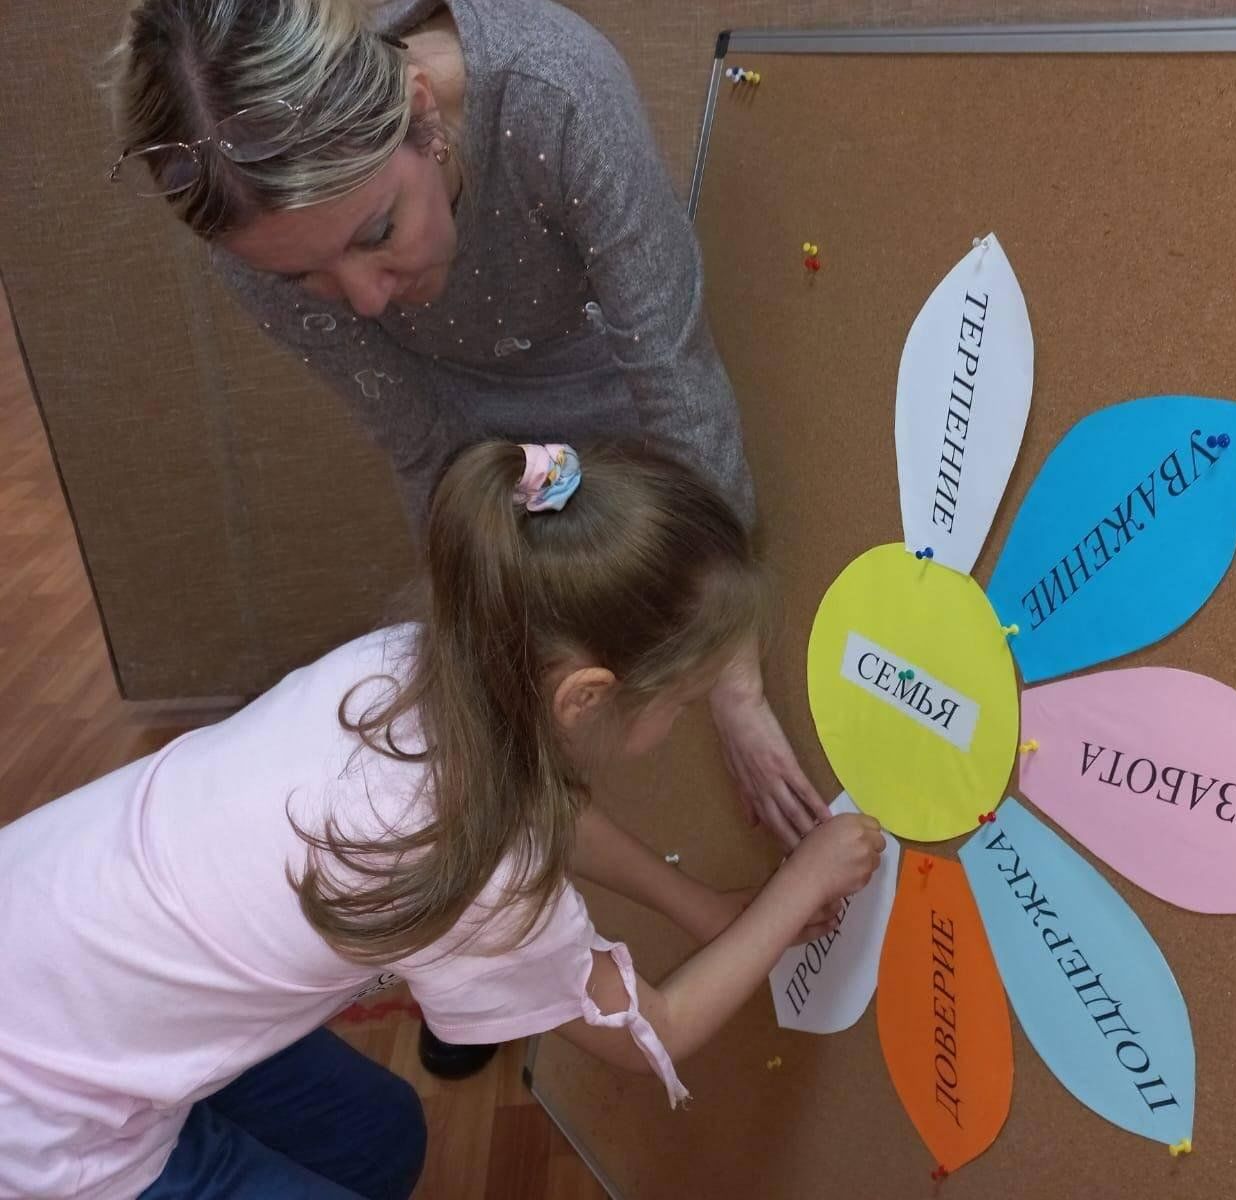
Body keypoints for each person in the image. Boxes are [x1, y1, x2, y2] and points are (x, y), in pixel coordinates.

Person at [0, 440, 885, 1200]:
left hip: (47, 934)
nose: (683, 719)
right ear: (585, 698)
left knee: (377, 1139)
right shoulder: (473, 877)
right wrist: (800, 884)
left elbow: (534, 814)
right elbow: (655, 1025)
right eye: (684, 702)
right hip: (41, 1117)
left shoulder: (418, 662)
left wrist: (700, 906)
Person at [107, 0, 831, 852]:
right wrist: (478, 635)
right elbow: (427, 447)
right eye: (308, 277)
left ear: (422, 116)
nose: (365, 301)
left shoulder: (553, 91)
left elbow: (673, 372)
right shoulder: (256, 243)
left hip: (636, 393)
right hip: (488, 442)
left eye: (378, 232)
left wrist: (731, 670)